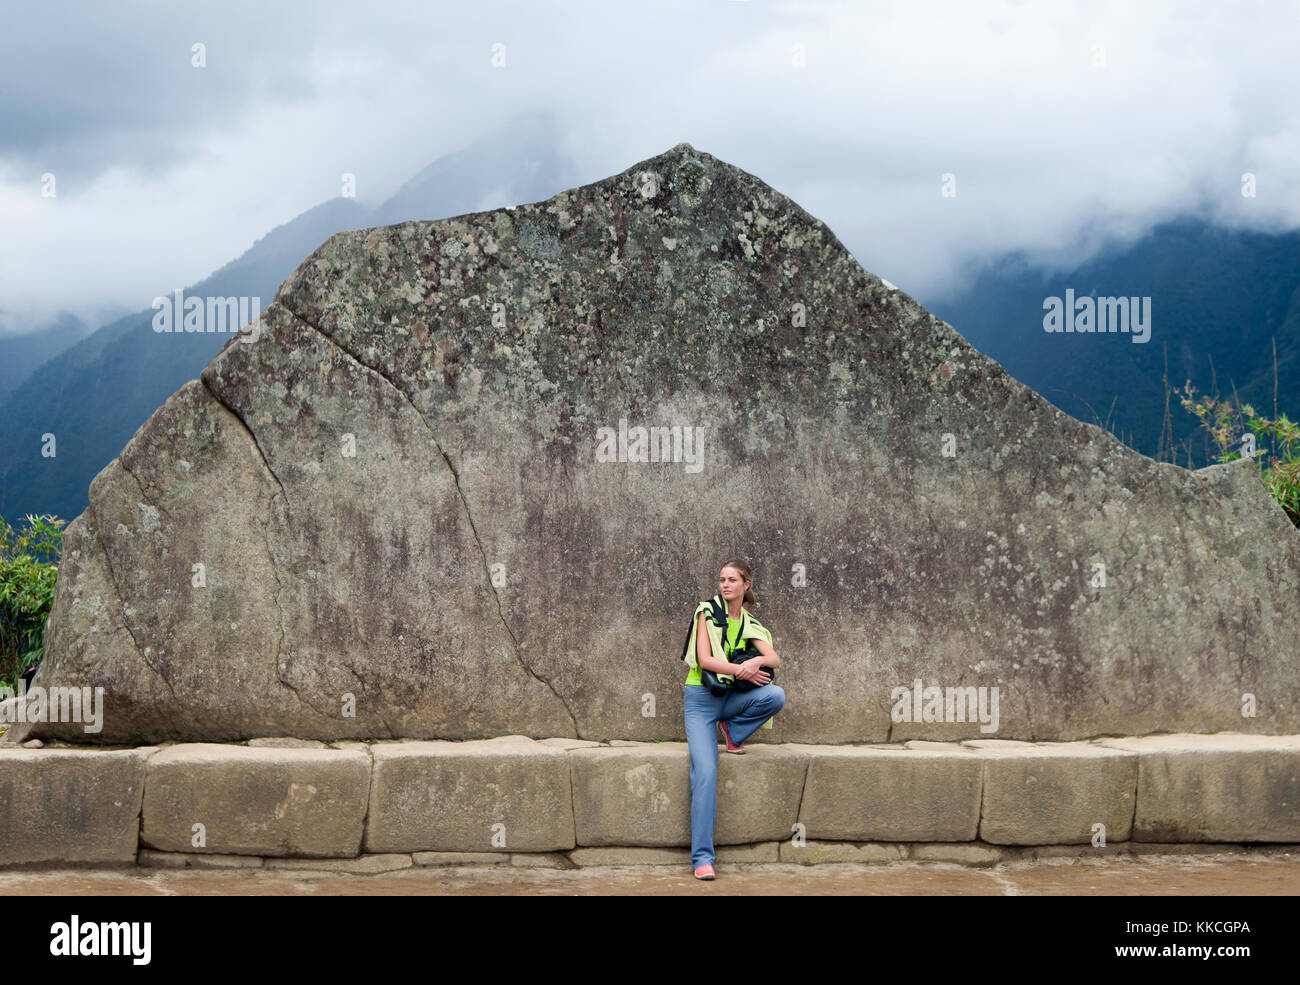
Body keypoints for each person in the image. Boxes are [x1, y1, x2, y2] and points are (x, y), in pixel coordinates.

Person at [681, 559, 786, 880]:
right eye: (721, 579)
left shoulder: (750, 622)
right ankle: (702, 858)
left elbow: (774, 659)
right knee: (707, 771)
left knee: (774, 695)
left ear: (746, 585)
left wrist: (755, 662)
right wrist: (743, 670)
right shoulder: (706, 612)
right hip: (700, 701)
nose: (725, 585)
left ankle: (733, 730)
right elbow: (704, 659)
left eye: (732, 580)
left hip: (728, 700)